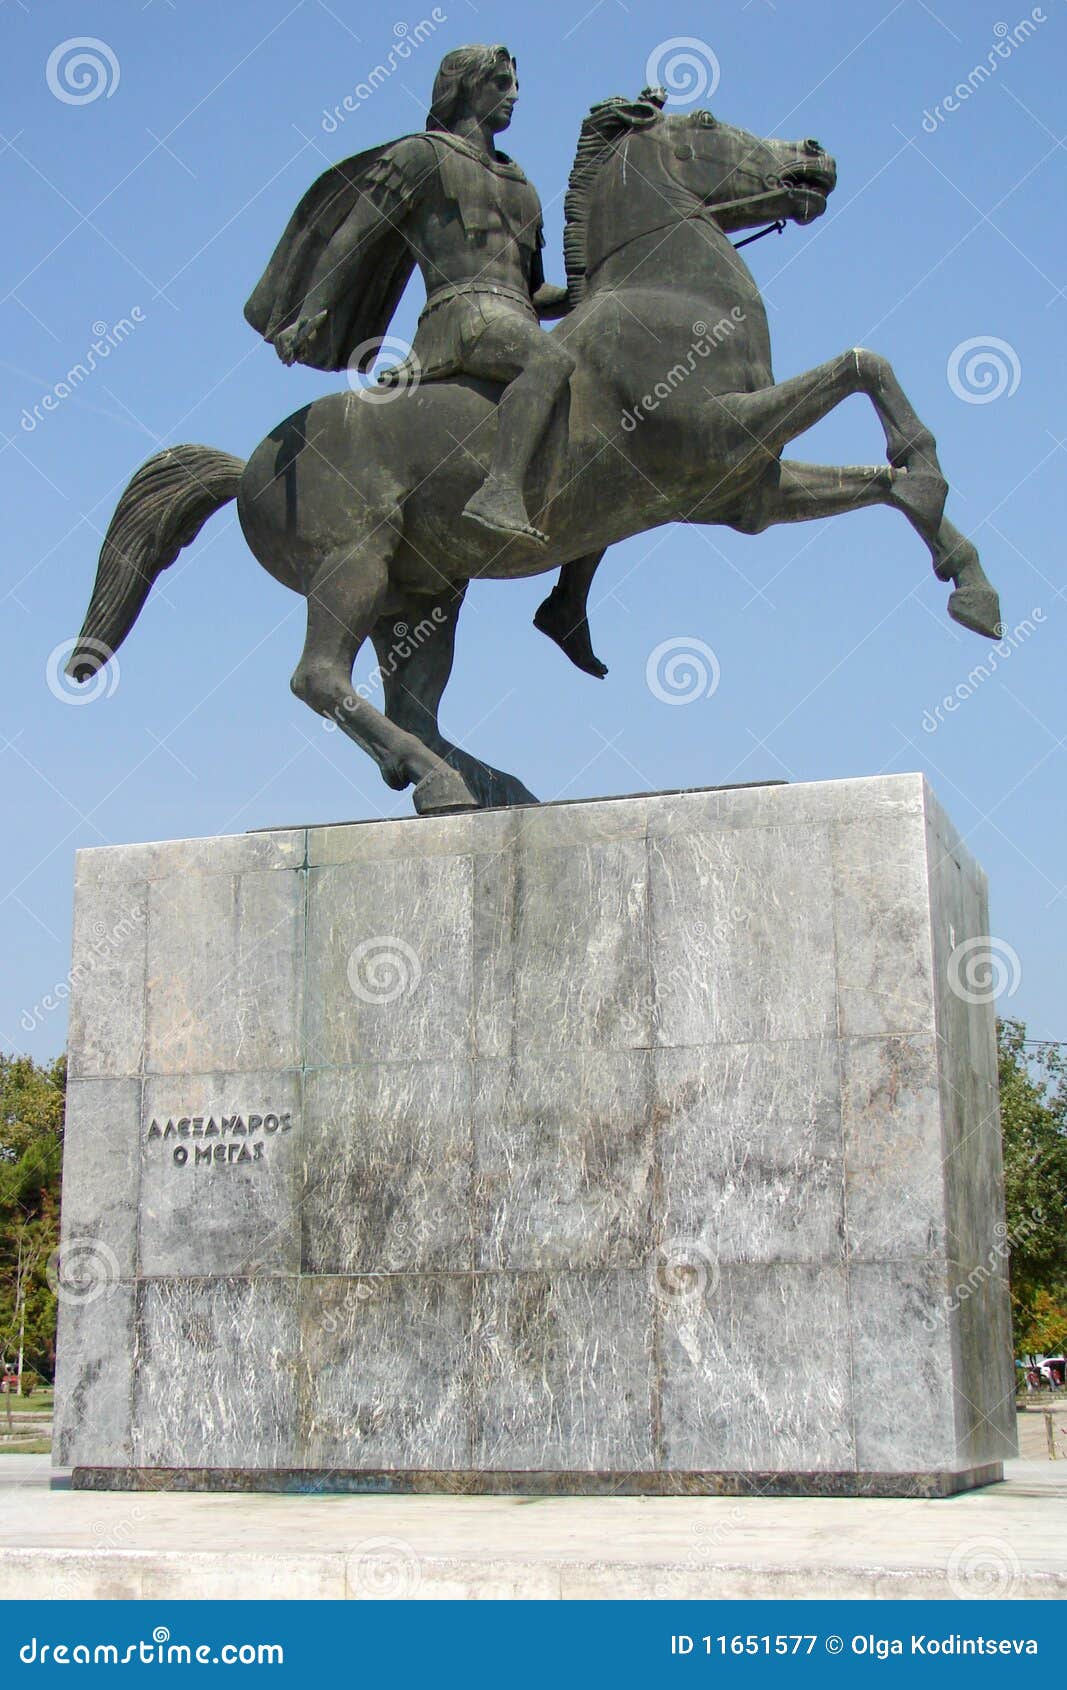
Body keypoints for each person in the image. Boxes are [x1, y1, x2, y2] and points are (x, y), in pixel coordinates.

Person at [245, 44, 574, 548]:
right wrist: (310, 311)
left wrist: (595, 288)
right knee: (549, 361)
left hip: (513, 318)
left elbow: (533, 292)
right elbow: (352, 237)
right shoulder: (422, 155)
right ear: (465, 87)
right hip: (462, 315)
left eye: (516, 85)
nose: (514, 95)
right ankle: (499, 492)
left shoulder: (521, 182)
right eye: (500, 83)